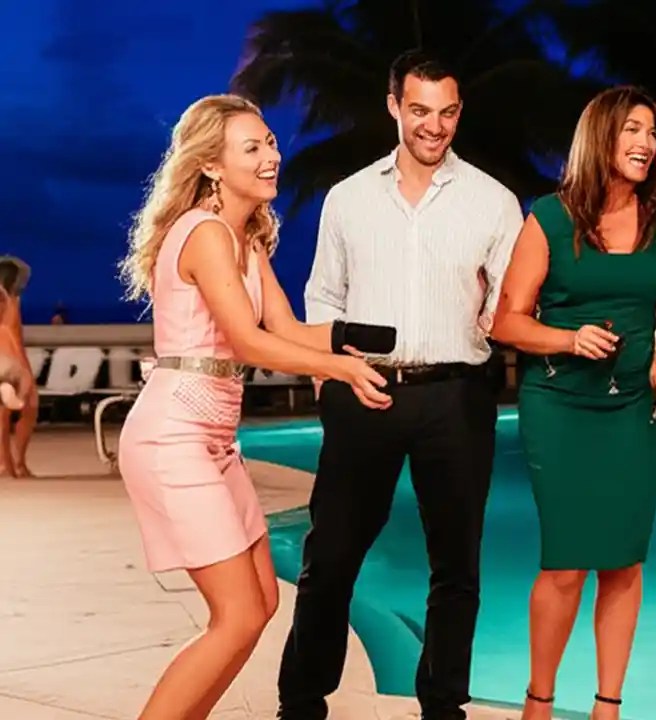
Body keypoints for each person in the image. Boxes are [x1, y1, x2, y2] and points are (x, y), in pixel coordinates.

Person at [113, 93, 390, 720]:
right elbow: (247, 341)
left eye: (269, 142)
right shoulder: (206, 233)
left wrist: (373, 336)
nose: (272, 156)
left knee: (259, 603)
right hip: (173, 436)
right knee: (236, 616)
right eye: (253, 147)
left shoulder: (245, 241)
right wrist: (340, 368)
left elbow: (287, 329)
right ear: (211, 165)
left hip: (212, 439)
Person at [276, 51, 523, 720]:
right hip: (363, 390)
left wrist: (492, 318)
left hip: (457, 394)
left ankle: (443, 705)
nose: (432, 126)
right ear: (394, 106)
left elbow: (509, 305)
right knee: (330, 555)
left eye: (445, 113)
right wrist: (334, 378)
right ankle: (302, 699)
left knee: (456, 566)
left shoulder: (494, 203)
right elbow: (322, 294)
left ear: (458, 112)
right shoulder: (350, 198)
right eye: (419, 110)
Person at [489, 85, 656, 720]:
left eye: (651, 133)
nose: (646, 144)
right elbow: (507, 322)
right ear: (601, 135)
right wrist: (570, 339)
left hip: (636, 410)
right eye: (632, 130)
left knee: (623, 563)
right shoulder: (549, 217)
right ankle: (538, 703)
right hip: (560, 405)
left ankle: (607, 707)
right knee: (567, 561)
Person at [0, 256, 35, 476]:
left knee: (24, 409)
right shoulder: (4, 298)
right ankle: (10, 464)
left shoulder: (12, 299)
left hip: (13, 361)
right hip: (8, 361)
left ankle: (14, 463)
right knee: (14, 412)